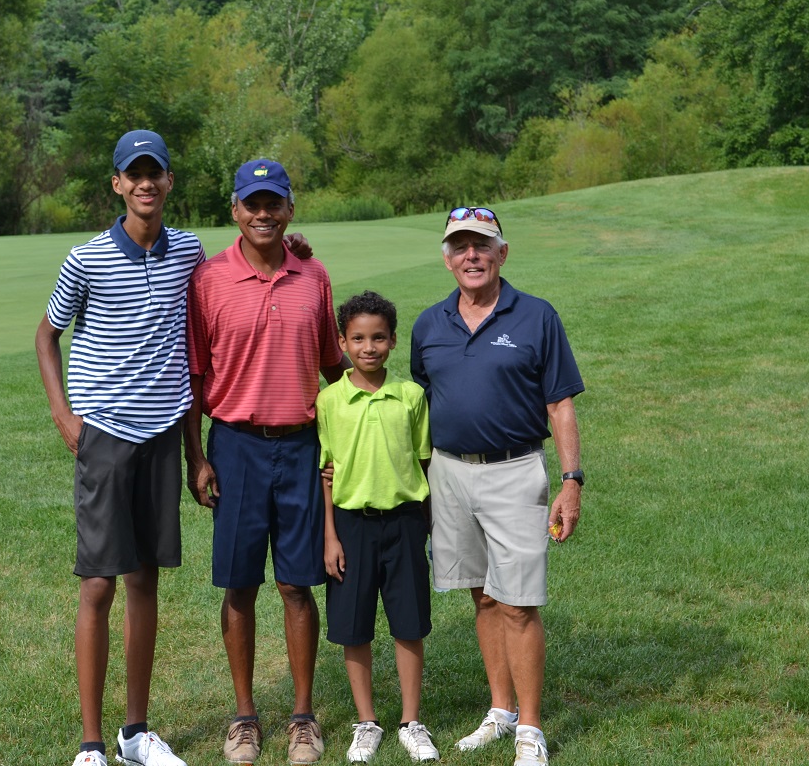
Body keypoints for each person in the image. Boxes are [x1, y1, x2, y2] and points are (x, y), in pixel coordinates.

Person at [35, 133, 313, 766]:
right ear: (116, 184)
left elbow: (240, 266)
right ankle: (91, 743)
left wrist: (291, 247)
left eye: (154, 173)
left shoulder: (187, 251)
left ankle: (135, 732)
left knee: (144, 581)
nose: (145, 184)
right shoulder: (84, 259)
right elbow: (46, 337)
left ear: (167, 181)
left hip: (164, 433)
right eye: (133, 175)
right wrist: (64, 414)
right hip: (106, 433)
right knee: (98, 585)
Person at [184, 159, 348, 765]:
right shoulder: (209, 280)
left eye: (272, 204)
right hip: (236, 445)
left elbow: (336, 367)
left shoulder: (314, 276)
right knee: (239, 585)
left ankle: (303, 718)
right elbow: (196, 375)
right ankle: (245, 717)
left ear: (289, 210)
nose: (262, 214)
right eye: (251, 204)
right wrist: (197, 458)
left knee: (296, 584)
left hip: (302, 446)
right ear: (235, 211)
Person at [410, 207, 585, 766]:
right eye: (460, 246)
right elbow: (420, 403)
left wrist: (571, 480)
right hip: (449, 472)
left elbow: (559, 403)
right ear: (446, 258)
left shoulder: (535, 316)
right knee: (482, 595)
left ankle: (530, 728)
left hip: (515, 471)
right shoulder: (429, 324)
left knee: (519, 604)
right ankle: (501, 709)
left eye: (482, 245)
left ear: (502, 253)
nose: (472, 256)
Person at [316, 291, 440, 764]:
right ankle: (366, 722)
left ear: (392, 340)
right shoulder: (329, 401)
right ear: (343, 342)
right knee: (354, 627)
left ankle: (412, 721)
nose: (368, 347)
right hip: (350, 525)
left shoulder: (410, 396)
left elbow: (423, 462)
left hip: (406, 522)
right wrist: (330, 535)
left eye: (378, 338)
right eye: (358, 339)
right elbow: (326, 473)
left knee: (409, 623)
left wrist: (427, 526)